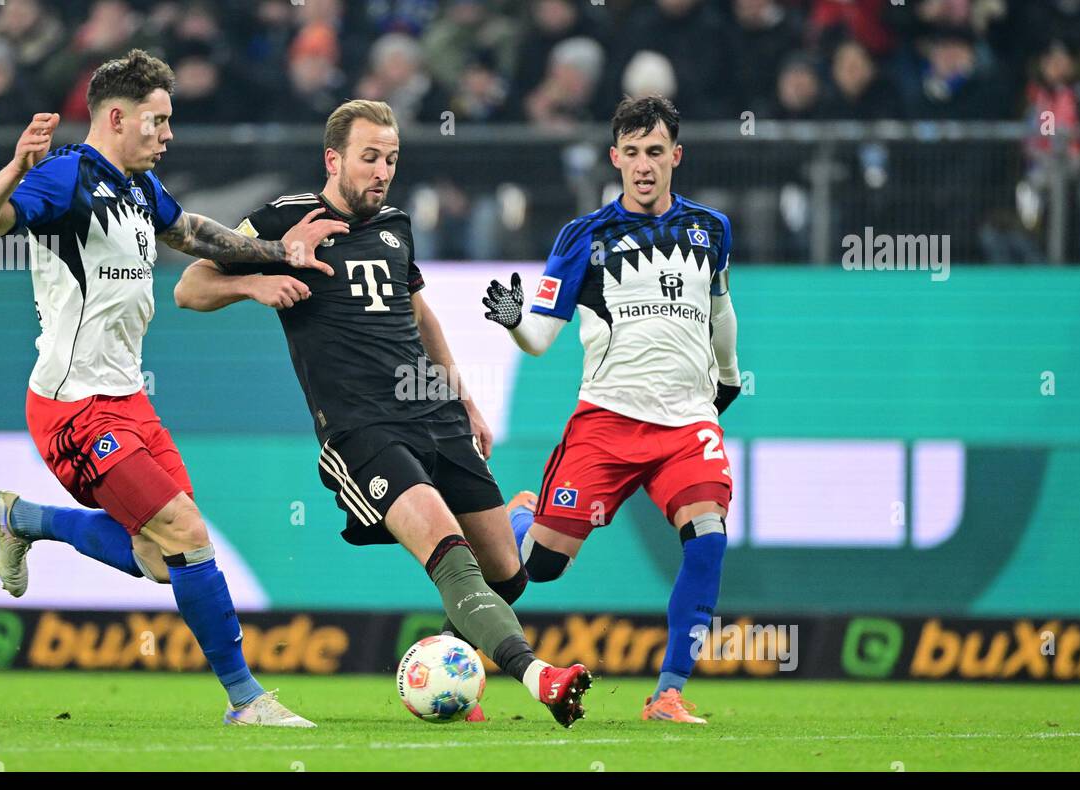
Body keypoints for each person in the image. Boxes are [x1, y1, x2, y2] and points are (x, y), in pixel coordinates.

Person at [0, 49, 345, 727]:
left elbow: (191, 232)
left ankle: (20, 518)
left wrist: (280, 251)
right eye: (157, 121)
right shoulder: (66, 178)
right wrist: (16, 167)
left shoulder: (137, 188)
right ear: (115, 117)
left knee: (162, 561)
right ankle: (247, 699)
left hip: (129, 399)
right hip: (72, 407)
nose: (167, 135)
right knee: (187, 534)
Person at [172, 99, 593, 728]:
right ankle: (540, 676)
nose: (382, 171)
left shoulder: (397, 224)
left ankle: (446, 660)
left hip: (436, 415)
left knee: (508, 576)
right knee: (449, 554)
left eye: (391, 159)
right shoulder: (285, 223)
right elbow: (189, 287)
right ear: (333, 158)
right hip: (362, 431)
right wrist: (255, 281)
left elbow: (421, 317)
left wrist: (465, 398)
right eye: (370, 157)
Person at [482, 95, 742, 724]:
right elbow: (542, 337)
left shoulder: (710, 229)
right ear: (615, 158)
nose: (644, 165)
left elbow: (719, 309)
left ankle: (669, 693)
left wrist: (728, 377)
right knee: (538, 570)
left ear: (676, 156)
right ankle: (521, 520)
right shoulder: (583, 237)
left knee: (707, 540)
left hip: (686, 423)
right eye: (632, 153)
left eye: (656, 152)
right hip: (606, 424)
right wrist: (517, 323)